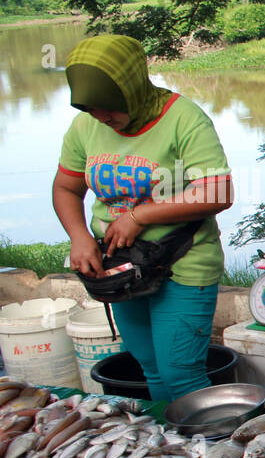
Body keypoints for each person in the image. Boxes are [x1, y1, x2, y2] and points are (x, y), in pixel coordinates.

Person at [53, 34, 233, 401]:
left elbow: (219, 192)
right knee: (149, 366)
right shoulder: (85, 127)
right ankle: (174, 449)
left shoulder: (184, 119)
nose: (103, 118)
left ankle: (212, 451)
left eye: (110, 108)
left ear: (133, 89)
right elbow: (66, 188)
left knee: (179, 373)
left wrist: (140, 215)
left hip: (182, 262)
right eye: (90, 109)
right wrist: (79, 237)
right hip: (121, 266)